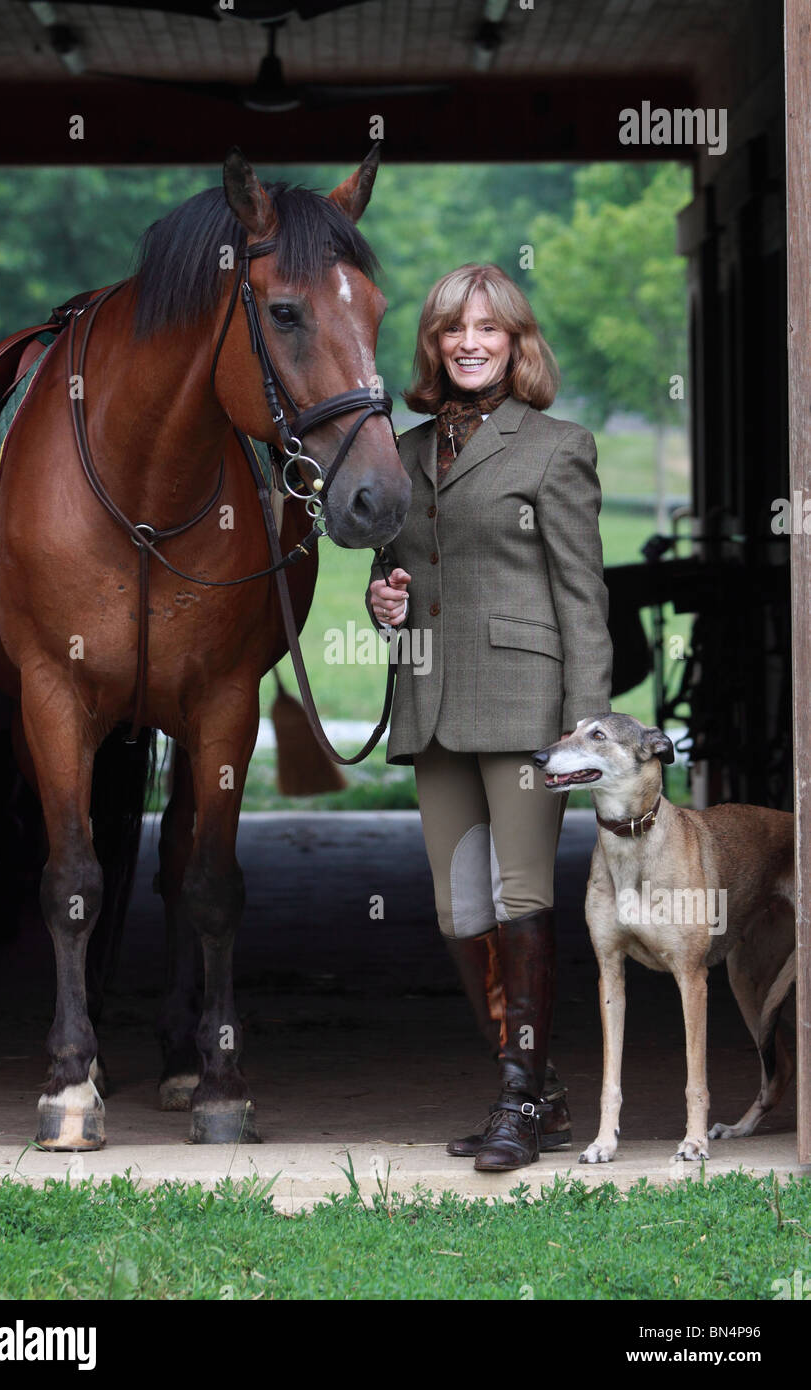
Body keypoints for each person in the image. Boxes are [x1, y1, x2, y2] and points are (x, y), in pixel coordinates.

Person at [366, 263, 613, 1171]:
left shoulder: (558, 446)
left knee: (523, 899)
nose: (469, 343)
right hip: (431, 702)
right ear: (433, 346)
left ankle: (517, 1098)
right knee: (457, 911)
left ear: (516, 343)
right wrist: (382, 602)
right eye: (450, 329)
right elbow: (394, 572)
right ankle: (538, 1091)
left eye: (488, 329)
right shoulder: (397, 448)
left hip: (524, 709)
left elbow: (584, 599)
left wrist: (585, 731)